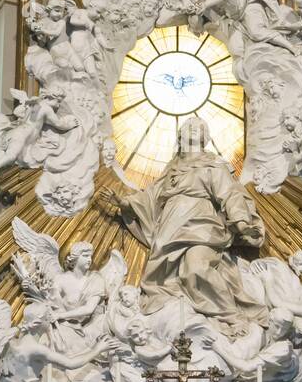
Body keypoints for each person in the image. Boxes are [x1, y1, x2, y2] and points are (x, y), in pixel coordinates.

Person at [97, 116, 267, 334]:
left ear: (206, 137)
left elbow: (230, 194)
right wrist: (126, 203)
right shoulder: (172, 168)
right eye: (189, 127)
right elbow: (152, 195)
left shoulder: (213, 164)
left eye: (199, 127)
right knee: (168, 280)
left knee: (196, 268)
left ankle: (232, 316)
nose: (194, 129)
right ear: (180, 134)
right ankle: (180, 312)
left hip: (201, 221)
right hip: (170, 226)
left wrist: (242, 222)